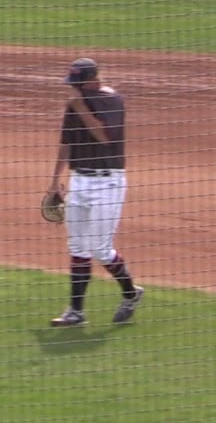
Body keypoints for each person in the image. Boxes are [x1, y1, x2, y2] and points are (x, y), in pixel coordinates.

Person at [46, 58, 144, 327]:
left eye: (78, 83)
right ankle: (76, 312)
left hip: (107, 182)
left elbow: (104, 136)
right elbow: (66, 142)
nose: (74, 88)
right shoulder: (74, 103)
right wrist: (55, 181)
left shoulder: (111, 100)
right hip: (79, 180)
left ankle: (131, 293)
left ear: (92, 80)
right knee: (77, 247)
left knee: (100, 249)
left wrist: (80, 106)